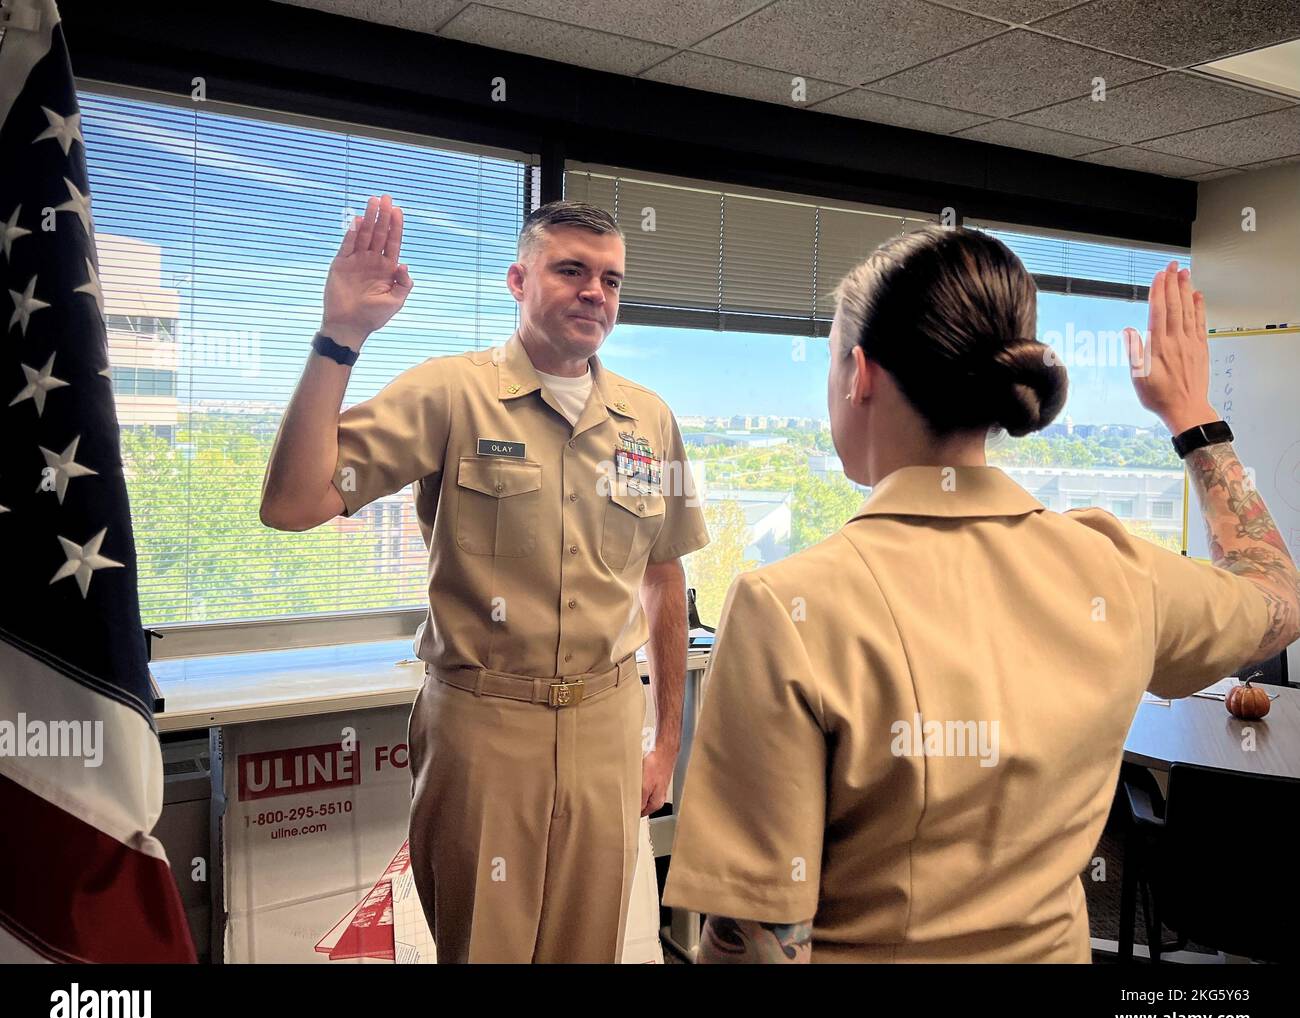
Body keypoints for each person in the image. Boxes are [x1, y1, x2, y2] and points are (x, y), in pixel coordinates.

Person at [661, 226, 1300, 963]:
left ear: (858, 374)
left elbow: (761, 946)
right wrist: (1192, 417)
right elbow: (1275, 591)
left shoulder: (790, 607)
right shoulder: (1116, 570)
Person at [259, 196, 709, 962]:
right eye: (570, 270)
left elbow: (664, 576)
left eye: (610, 278)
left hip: (605, 727)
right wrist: (341, 337)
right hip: (485, 727)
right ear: (517, 279)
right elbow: (294, 502)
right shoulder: (450, 393)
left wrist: (665, 743)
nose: (593, 292)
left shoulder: (648, 420)